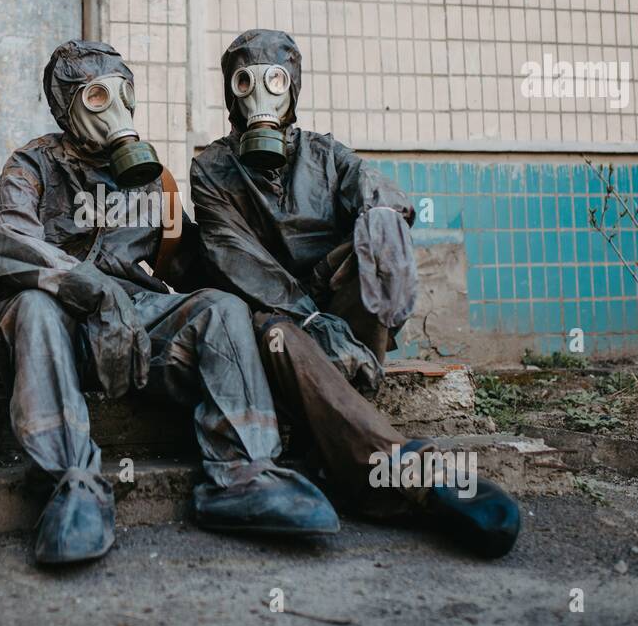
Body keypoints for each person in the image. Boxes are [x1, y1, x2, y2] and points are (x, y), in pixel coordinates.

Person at [0, 39, 340, 566]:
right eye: (97, 98)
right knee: (35, 308)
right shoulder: (32, 164)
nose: (117, 111)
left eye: (124, 94)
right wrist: (90, 286)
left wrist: (296, 301)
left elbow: (197, 260)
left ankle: (242, 475)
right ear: (66, 106)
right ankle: (71, 484)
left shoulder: (152, 184)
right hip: (55, 324)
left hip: (133, 326)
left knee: (219, 308)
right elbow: (8, 244)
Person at [190, 29, 521, 558]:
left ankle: (350, 392)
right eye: (245, 81)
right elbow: (235, 257)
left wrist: (386, 216)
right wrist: (310, 319)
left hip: (339, 310)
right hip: (278, 319)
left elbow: (377, 188)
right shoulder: (210, 169)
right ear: (231, 92)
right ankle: (406, 472)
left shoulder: (327, 155)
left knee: (377, 231)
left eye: (275, 81)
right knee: (274, 333)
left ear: (293, 87)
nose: (260, 96)